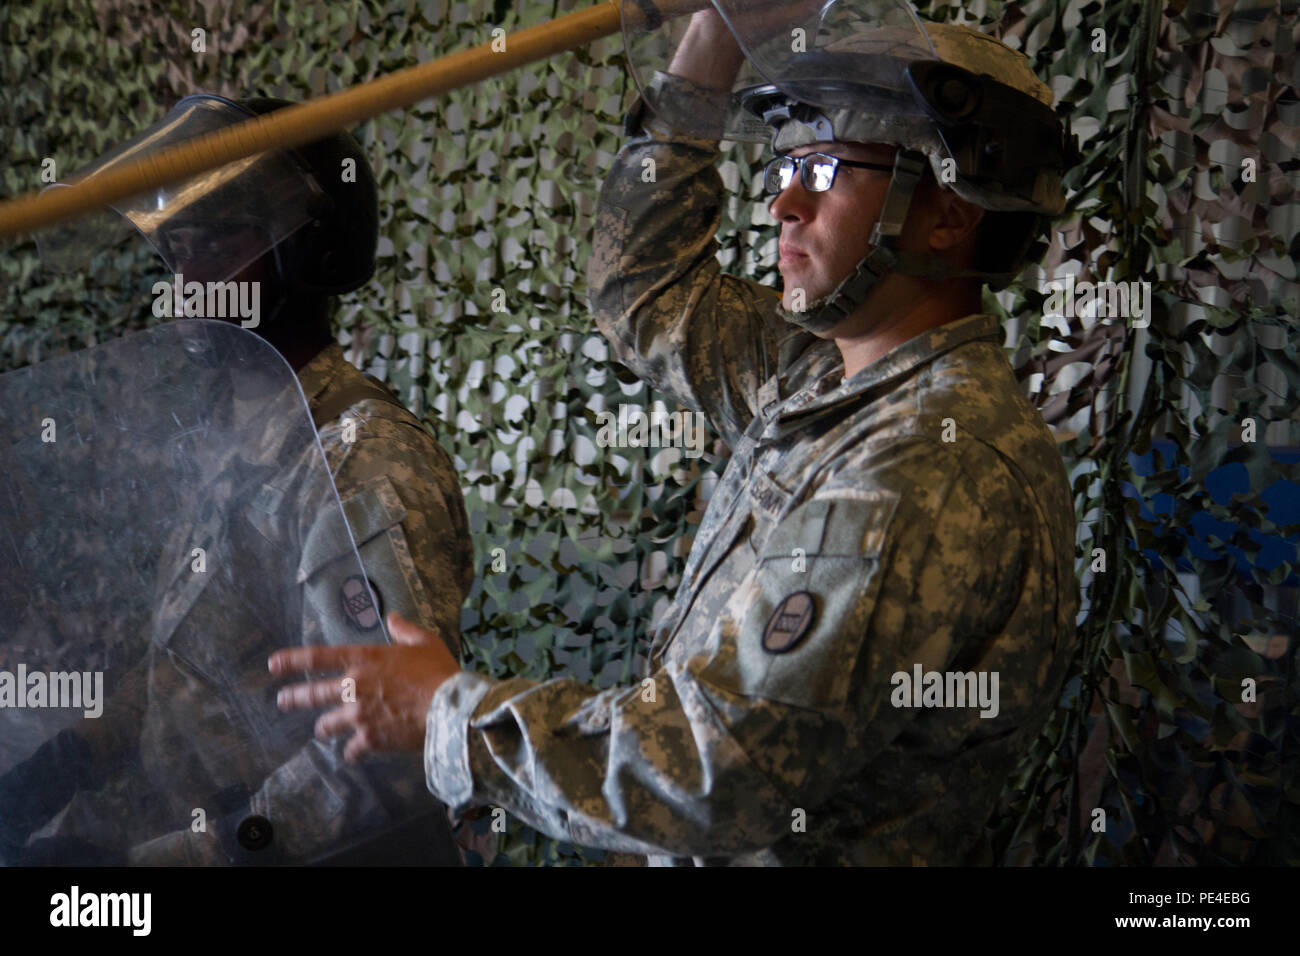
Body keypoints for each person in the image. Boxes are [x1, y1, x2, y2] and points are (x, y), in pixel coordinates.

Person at [273, 0, 1081, 865]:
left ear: (949, 212)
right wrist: (709, 50)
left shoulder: (925, 464)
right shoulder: (824, 375)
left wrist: (447, 715)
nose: (783, 202)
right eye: (786, 161)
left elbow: (712, 774)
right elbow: (644, 290)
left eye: (826, 166)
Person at [0, 95, 475, 865]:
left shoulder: (358, 463)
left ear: (304, 254)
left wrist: (176, 861)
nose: (188, 281)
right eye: (176, 250)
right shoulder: (229, 436)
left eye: (217, 248)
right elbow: (200, 670)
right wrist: (74, 756)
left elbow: (391, 754)